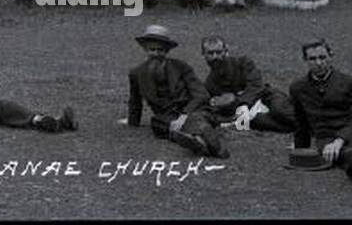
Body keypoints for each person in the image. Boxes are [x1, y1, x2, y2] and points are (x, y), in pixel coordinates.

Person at [288, 38, 352, 187]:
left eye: (322, 57)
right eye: (312, 59)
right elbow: (301, 122)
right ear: (305, 60)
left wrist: (340, 139)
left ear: (331, 56)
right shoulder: (298, 87)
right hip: (327, 137)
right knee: (342, 153)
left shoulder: (349, 82)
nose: (318, 63)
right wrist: (300, 150)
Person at [125, 25, 229, 158]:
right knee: (158, 123)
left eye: (160, 50)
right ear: (145, 49)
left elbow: (201, 94)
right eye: (152, 50)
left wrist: (184, 115)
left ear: (167, 51)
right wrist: (131, 122)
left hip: (193, 109)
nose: (156, 54)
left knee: (197, 119)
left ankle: (212, 144)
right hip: (166, 117)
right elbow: (135, 102)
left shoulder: (181, 67)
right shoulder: (136, 73)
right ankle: (197, 139)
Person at [201, 36, 296, 133]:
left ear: (226, 51)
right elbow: (215, 107)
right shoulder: (210, 84)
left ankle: (309, 123)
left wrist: (244, 103)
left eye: (218, 52)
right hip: (250, 113)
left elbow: (256, 85)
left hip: (266, 97)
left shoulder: (243, 63)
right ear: (203, 55)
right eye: (210, 53)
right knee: (260, 122)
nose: (215, 56)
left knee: (279, 110)